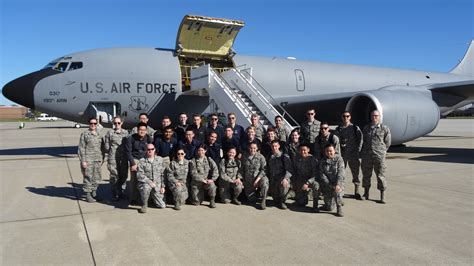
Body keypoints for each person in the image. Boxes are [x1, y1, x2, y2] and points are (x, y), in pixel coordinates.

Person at [360, 110, 391, 203]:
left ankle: (382, 195)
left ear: (379, 116)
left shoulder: (384, 128)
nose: (374, 117)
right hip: (367, 156)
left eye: (376, 116)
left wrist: (382, 152)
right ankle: (366, 193)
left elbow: (387, 142)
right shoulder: (366, 128)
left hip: (379, 156)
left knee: (381, 176)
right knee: (366, 175)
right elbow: (363, 141)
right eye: (373, 116)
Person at [335, 111, 363, 200]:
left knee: (356, 173)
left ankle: (357, 191)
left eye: (347, 116)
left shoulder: (355, 128)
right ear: (342, 117)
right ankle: (341, 191)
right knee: (341, 173)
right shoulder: (338, 128)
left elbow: (360, 139)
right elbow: (336, 140)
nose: (345, 118)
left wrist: (358, 150)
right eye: (344, 116)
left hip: (353, 154)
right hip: (342, 155)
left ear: (350, 117)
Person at [125, 122, 152, 205]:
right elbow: (128, 152)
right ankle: (133, 198)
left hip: (145, 160)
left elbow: (151, 150)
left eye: (144, 130)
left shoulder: (148, 138)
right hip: (135, 160)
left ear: (146, 130)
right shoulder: (131, 138)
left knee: (147, 178)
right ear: (137, 130)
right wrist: (133, 164)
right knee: (134, 180)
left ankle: (147, 198)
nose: (142, 131)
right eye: (140, 130)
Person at [78, 117, 104, 203]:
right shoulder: (85, 134)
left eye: (95, 123)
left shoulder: (99, 135)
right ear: (89, 124)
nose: (93, 125)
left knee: (97, 177)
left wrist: (102, 159)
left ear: (97, 124)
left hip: (97, 159)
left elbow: (102, 148)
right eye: (91, 123)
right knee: (88, 177)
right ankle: (88, 195)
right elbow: (81, 148)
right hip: (88, 160)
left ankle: (94, 193)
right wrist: (83, 160)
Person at [103, 116, 129, 200]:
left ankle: (122, 192)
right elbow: (106, 147)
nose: (117, 124)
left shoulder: (126, 133)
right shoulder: (110, 133)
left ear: (122, 123)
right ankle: (115, 193)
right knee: (114, 176)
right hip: (113, 158)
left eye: (118, 123)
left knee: (123, 175)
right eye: (115, 123)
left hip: (123, 158)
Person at [136, 144, 166, 213]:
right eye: (148, 149)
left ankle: (153, 198)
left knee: (162, 205)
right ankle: (144, 204)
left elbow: (162, 174)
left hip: (157, 184)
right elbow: (140, 175)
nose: (150, 151)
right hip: (146, 183)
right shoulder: (142, 161)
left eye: (152, 149)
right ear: (146, 150)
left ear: (154, 150)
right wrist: (149, 182)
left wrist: (162, 186)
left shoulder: (160, 160)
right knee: (145, 188)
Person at [318, 144, 345, 217]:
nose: (329, 152)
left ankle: (339, 207)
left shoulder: (339, 159)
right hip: (328, 185)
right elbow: (322, 175)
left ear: (334, 151)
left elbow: (341, 172)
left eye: (330, 151)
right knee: (329, 208)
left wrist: (338, 184)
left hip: (338, 184)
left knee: (337, 190)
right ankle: (330, 202)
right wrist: (330, 185)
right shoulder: (322, 161)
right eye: (327, 151)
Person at [240, 143, 269, 210]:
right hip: (249, 180)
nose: (252, 149)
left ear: (257, 149)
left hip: (258, 178)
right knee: (251, 200)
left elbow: (264, 170)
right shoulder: (245, 157)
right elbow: (242, 169)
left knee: (265, 181)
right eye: (251, 148)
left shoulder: (261, 157)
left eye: (254, 148)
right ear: (248, 148)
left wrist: (257, 180)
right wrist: (241, 179)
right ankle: (257, 193)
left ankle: (263, 200)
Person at [267, 140, 293, 209]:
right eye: (272, 146)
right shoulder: (269, 156)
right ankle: (279, 199)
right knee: (275, 200)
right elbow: (267, 169)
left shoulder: (284, 156)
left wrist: (285, 179)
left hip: (282, 179)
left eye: (276, 146)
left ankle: (283, 201)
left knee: (284, 185)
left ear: (279, 146)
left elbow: (289, 170)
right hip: (273, 180)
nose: (274, 148)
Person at [292, 144, 319, 209]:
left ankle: (315, 205)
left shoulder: (313, 159)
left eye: (304, 150)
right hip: (300, 181)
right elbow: (294, 171)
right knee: (301, 203)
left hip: (311, 180)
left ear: (308, 150)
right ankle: (307, 194)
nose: (302, 152)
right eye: (301, 150)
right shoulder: (296, 158)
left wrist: (307, 183)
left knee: (316, 185)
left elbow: (316, 174)